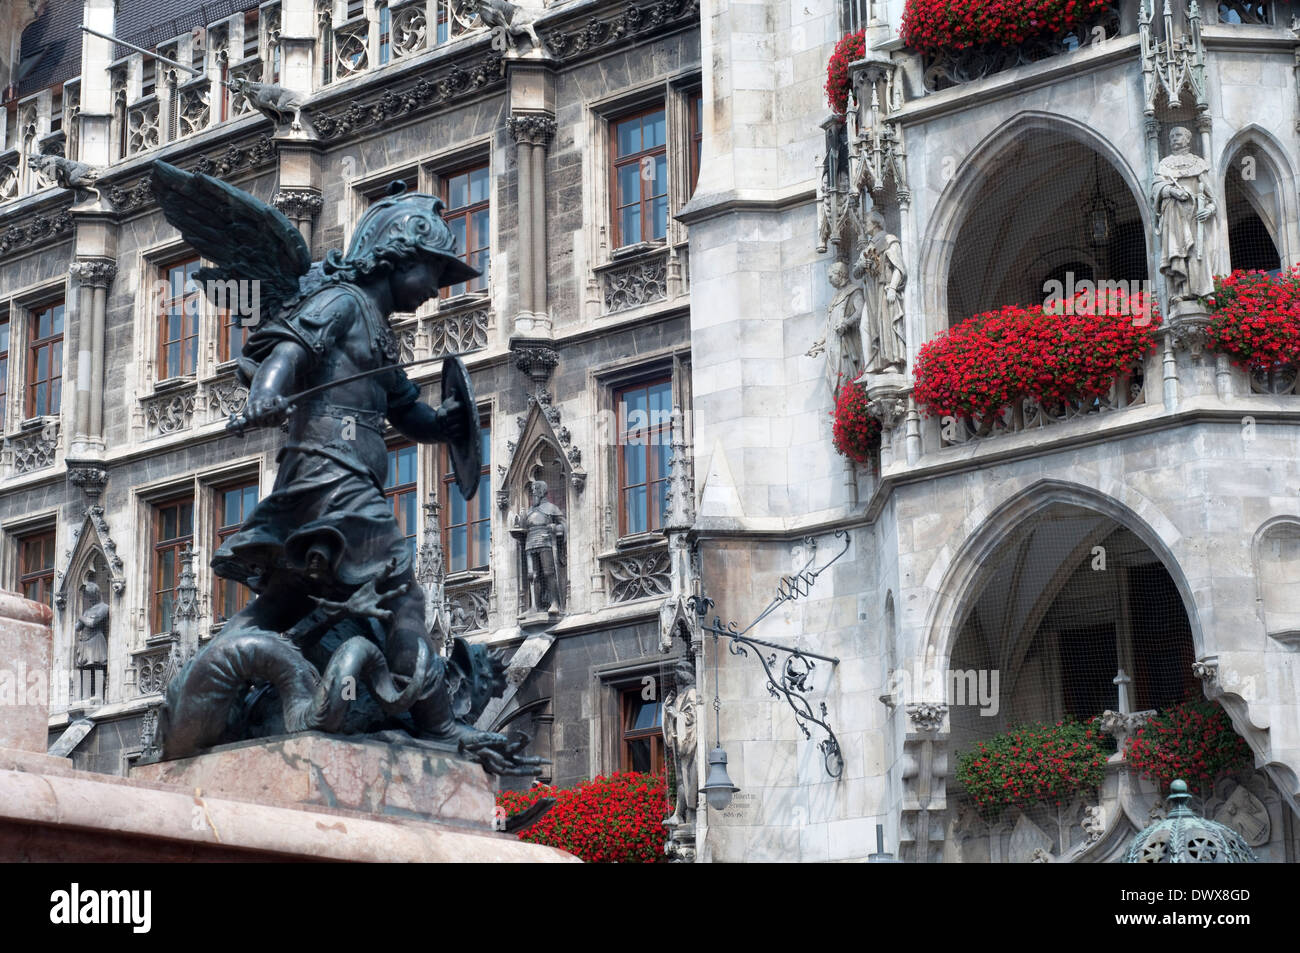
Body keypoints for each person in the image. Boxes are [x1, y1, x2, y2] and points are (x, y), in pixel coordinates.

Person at [209, 182, 491, 747]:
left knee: (286, 600)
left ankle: (210, 681)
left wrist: (445, 424)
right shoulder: (340, 303)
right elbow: (288, 354)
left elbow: (407, 412)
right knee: (400, 590)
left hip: (339, 476)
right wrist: (265, 393)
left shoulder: (379, 332)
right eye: (433, 271)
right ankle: (438, 723)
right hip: (329, 470)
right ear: (396, 257)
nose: (435, 288)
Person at [1153, 126, 1216, 303]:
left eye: (1178, 135)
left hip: (1195, 215)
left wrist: (1209, 210)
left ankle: (1201, 290)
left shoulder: (1198, 163)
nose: (1174, 138)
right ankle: (1180, 291)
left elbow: (1213, 198)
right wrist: (1172, 191)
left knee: (1196, 251)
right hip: (1174, 217)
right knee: (1179, 252)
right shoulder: (1164, 165)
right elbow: (1156, 187)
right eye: (1172, 136)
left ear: (1188, 139)